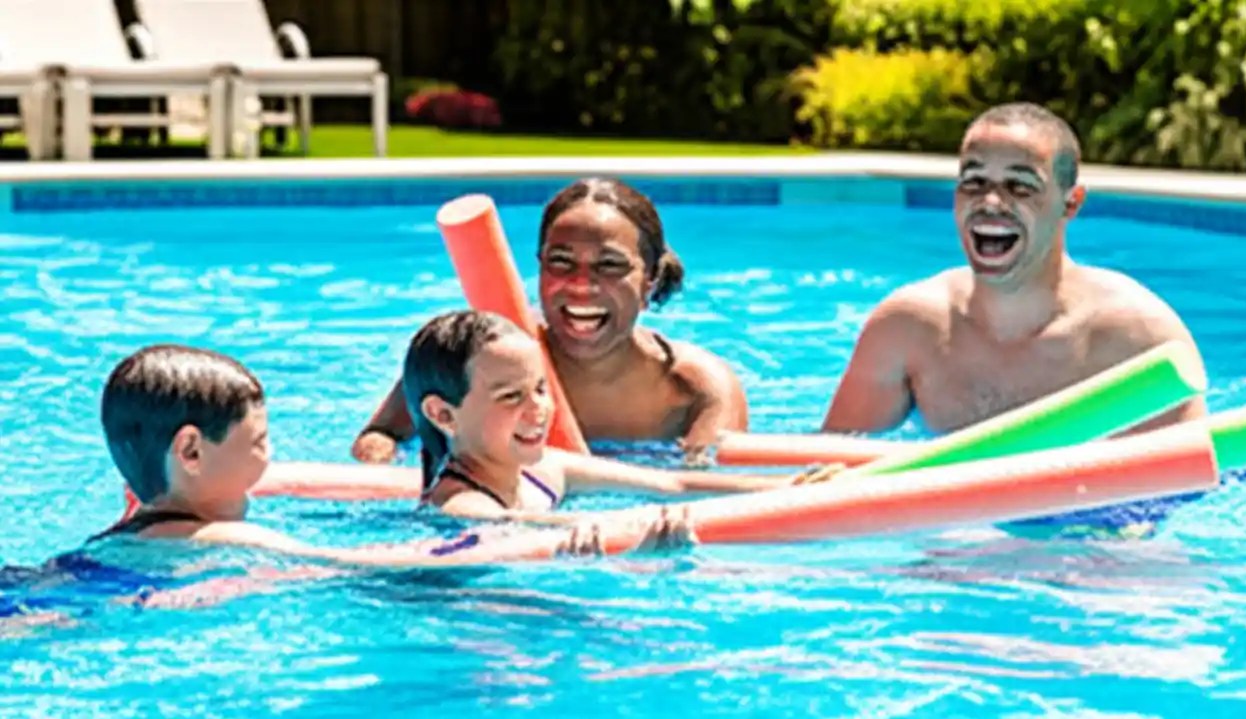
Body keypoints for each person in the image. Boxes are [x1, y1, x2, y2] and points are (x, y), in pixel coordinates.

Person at [93, 344, 693, 567]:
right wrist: (593, 542)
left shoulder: (129, 533)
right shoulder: (221, 541)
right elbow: (392, 565)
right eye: (259, 444)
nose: (267, 461)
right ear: (191, 451)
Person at [822, 102, 1207, 436]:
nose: (990, 202)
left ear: (1071, 204)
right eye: (973, 182)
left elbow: (1181, 488)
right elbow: (827, 469)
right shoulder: (907, 329)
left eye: (1020, 187)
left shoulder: (1137, 339)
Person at [352, 178, 748, 465]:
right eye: (561, 262)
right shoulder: (484, 356)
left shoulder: (697, 389)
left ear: (649, 282)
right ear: (539, 268)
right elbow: (380, 434)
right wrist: (385, 466)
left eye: (609, 266)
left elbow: (706, 490)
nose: (580, 286)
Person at [303, 311, 837, 522]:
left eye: (541, 387)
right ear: (443, 413)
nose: (539, 409)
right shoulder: (463, 504)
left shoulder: (543, 469)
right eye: (511, 397)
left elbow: (670, 483)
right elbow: (529, 530)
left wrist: (787, 486)